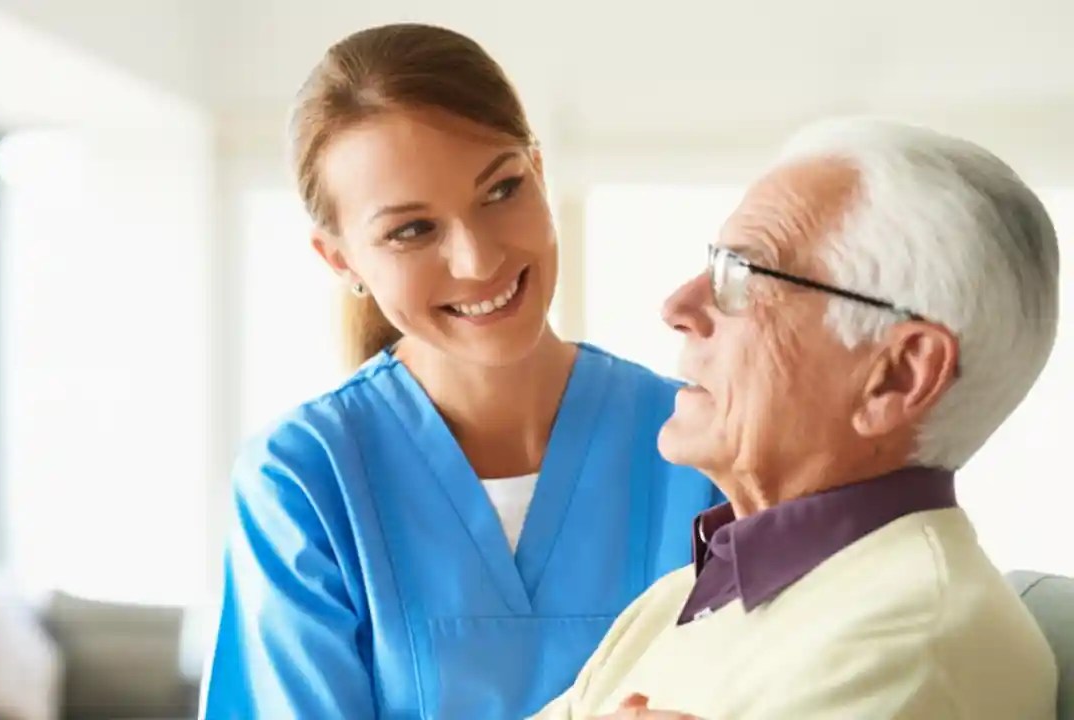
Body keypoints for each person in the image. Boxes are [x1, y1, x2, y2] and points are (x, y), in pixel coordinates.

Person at [199, 22, 722, 720]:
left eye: (501, 190)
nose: (478, 260)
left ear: (539, 172)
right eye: (411, 230)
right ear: (342, 260)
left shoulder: (702, 444)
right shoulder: (303, 483)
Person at [531, 117, 1061, 720]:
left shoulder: (910, 647)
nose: (677, 306)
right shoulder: (676, 601)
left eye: (742, 276)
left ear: (897, 376)